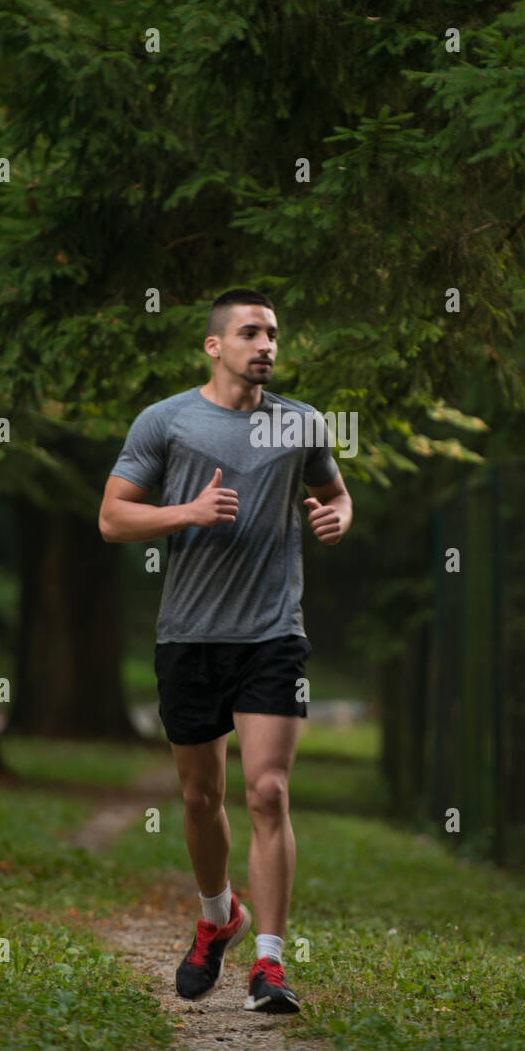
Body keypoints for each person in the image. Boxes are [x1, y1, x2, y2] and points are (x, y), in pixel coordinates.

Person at [98, 288, 353, 1013]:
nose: (266, 344)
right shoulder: (167, 422)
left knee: (267, 791)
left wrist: (334, 519)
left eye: (272, 332)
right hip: (189, 634)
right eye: (250, 332)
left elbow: (337, 494)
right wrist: (188, 512)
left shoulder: (300, 423)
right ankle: (218, 917)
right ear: (214, 346)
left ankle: (268, 966)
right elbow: (112, 519)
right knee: (199, 795)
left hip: (272, 633)